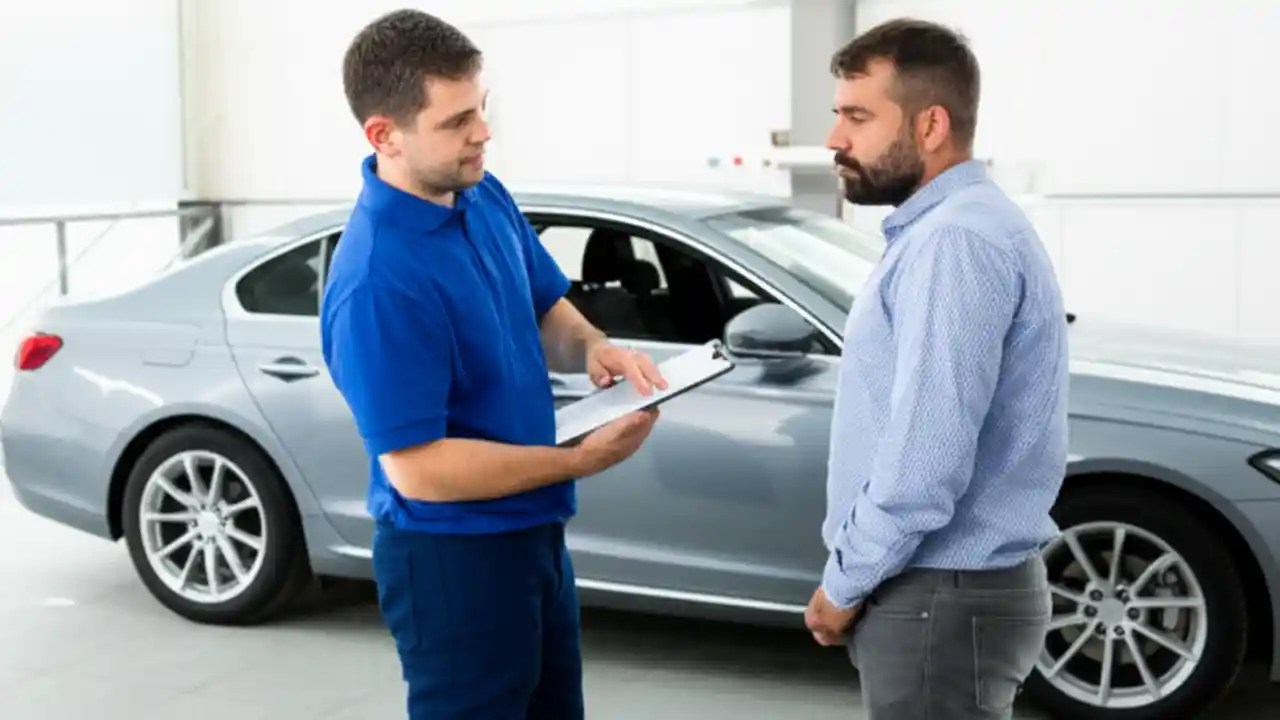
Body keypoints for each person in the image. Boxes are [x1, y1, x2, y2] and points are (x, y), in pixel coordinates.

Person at [321, 10, 666, 719]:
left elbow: (545, 308)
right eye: (456, 122)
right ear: (384, 135)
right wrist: (579, 460)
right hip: (452, 561)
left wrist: (595, 347)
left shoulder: (480, 195)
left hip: (531, 533)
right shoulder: (378, 279)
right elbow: (417, 469)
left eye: (481, 109)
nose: (482, 132)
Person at [802, 18, 1068, 720]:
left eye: (857, 117)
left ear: (930, 126)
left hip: (938, 590)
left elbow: (927, 453)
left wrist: (845, 582)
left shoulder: (954, 244)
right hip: (943, 593)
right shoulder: (957, 229)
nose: (835, 139)